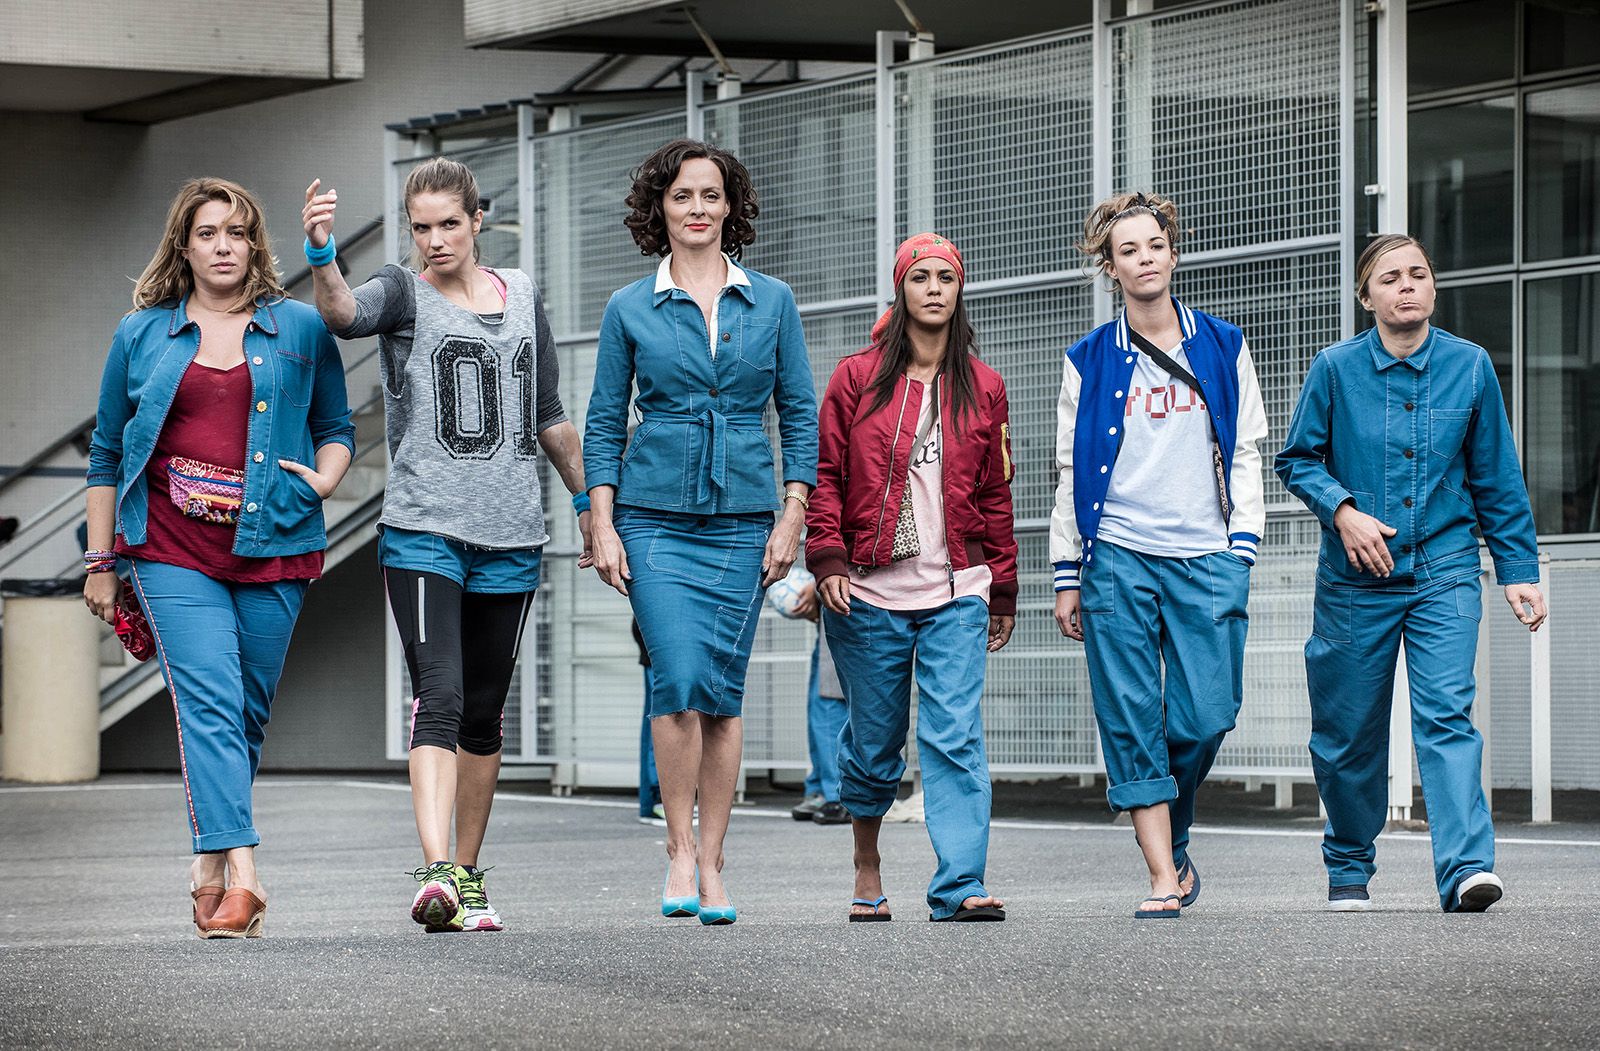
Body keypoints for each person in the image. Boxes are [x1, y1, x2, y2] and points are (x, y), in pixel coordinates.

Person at [302, 158, 592, 932]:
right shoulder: (401, 292)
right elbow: (339, 315)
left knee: (484, 715)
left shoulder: (524, 293)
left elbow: (551, 411)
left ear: (477, 219)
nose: (434, 240)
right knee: (442, 691)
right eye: (421, 227)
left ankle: (466, 875)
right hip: (424, 527)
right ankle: (434, 871)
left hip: (512, 535)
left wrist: (588, 502)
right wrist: (323, 252)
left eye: (448, 224)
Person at [84, 177, 354, 938]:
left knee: (242, 712)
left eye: (236, 232)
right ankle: (245, 874)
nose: (223, 246)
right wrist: (101, 561)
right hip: (167, 546)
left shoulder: (299, 327)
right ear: (184, 245)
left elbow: (337, 425)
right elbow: (106, 452)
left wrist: (328, 476)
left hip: (277, 541)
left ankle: (204, 862)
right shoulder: (141, 333)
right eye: (207, 233)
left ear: (255, 243)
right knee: (207, 699)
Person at [1275, 234, 1547, 914]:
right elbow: (1299, 458)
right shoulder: (1335, 370)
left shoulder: (1470, 366)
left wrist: (1518, 567)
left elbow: (1496, 476)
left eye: (1418, 274)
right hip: (1353, 581)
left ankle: (1466, 869)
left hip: (1444, 568)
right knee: (1347, 733)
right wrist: (1344, 512)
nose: (1406, 286)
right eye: (1390, 277)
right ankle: (1348, 865)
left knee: (1448, 715)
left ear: (1432, 287)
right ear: (1366, 296)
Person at [584, 138, 817, 926]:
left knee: (721, 693)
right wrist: (603, 524)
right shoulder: (629, 306)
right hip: (653, 518)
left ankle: (714, 861)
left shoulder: (773, 301)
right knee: (677, 675)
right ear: (661, 208)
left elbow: (799, 416)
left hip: (745, 519)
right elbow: (602, 422)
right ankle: (678, 847)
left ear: (731, 207)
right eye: (682, 196)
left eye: (710, 196)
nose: (696, 209)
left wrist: (793, 513)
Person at [1050, 192, 1267, 920]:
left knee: (1208, 714)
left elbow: (1243, 453)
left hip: (1206, 553)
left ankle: (1171, 825)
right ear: (1110, 267)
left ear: (1173, 254)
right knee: (1131, 714)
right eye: (1127, 250)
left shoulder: (1224, 344)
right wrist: (1067, 573)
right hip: (1117, 556)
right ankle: (1160, 875)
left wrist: (1241, 548)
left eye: (1153, 246)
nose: (1143, 259)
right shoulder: (1086, 360)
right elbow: (1068, 473)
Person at [807, 232, 1018, 923]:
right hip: (867, 592)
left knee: (954, 733)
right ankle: (867, 859)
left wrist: (1004, 586)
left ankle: (960, 883)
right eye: (920, 276)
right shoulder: (855, 378)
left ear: (959, 292)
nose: (933, 287)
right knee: (875, 742)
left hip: (956, 588)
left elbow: (995, 495)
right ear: (900, 289)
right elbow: (827, 478)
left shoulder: (983, 387)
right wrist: (828, 557)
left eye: (945, 277)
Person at [788, 582, 850, 826]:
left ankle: (836, 794)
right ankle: (820, 788)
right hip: (835, 592)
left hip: (848, 589)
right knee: (820, 699)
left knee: (830, 699)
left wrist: (818, 584)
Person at [633, 618, 664, 825]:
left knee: (657, 719)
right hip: (658, 634)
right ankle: (657, 800)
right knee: (664, 718)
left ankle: (651, 802)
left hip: (659, 631)